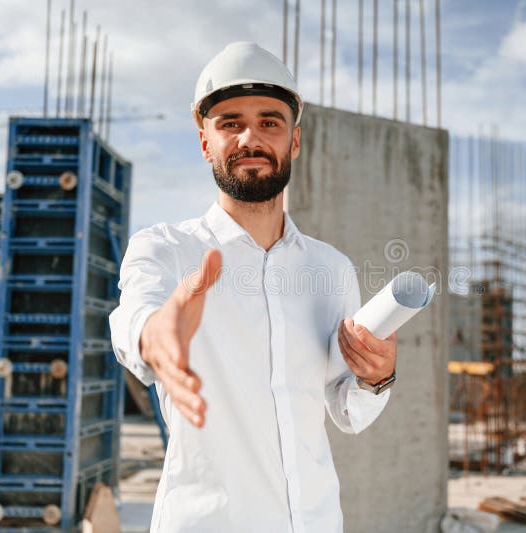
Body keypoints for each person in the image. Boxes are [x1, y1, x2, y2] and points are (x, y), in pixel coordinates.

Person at [109, 41, 397, 532]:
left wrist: (376, 378)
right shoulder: (165, 250)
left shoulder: (332, 269)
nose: (250, 138)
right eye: (230, 124)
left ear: (294, 141)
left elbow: (346, 411)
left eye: (269, 122)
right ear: (205, 143)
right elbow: (134, 319)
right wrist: (155, 338)